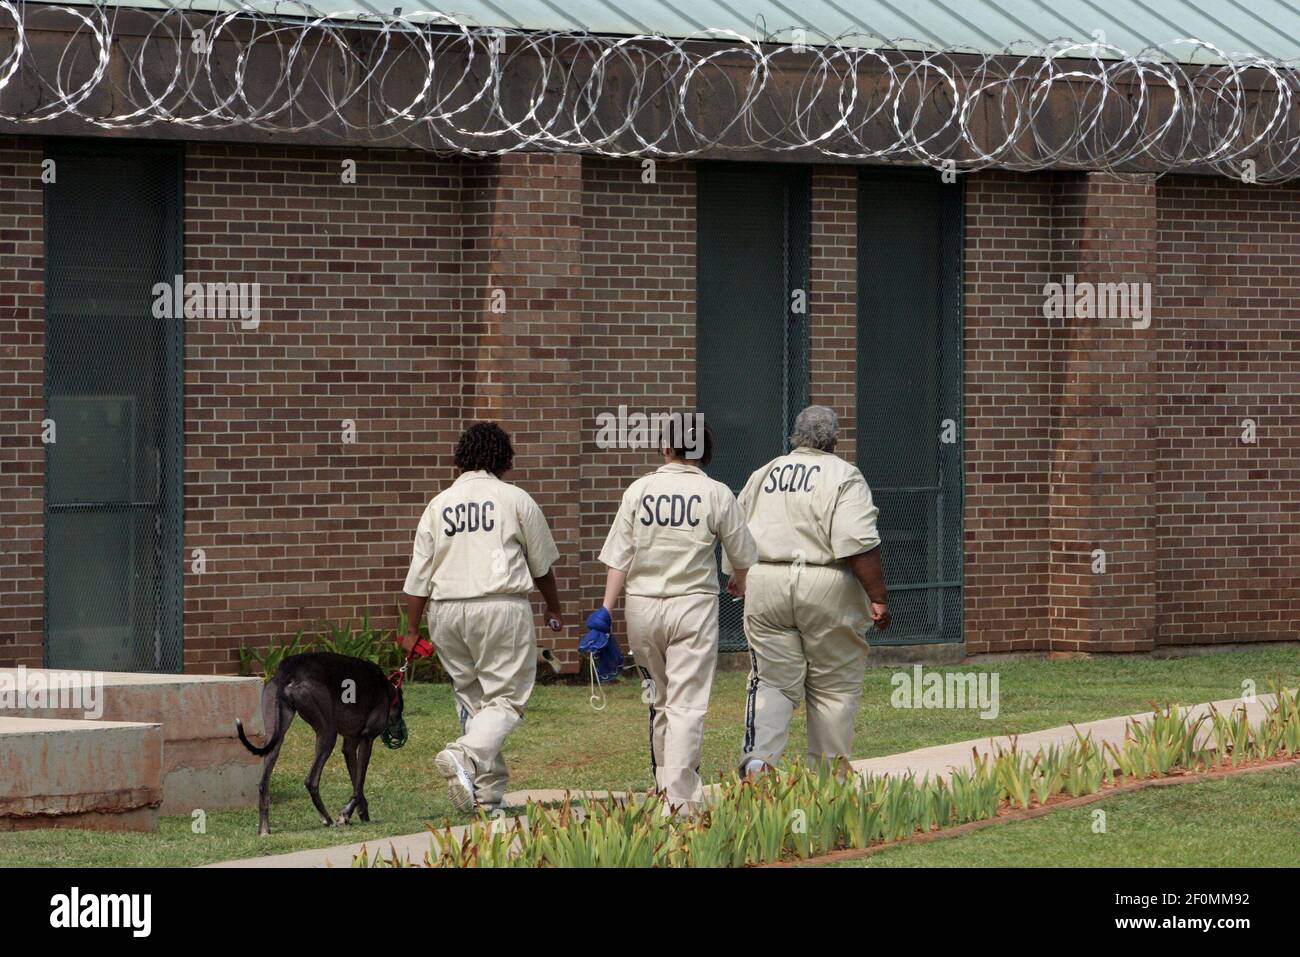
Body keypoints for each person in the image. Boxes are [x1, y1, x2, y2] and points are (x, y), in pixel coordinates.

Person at [592, 416, 757, 812]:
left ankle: (664, 787)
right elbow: (743, 558)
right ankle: (680, 801)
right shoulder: (716, 493)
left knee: (659, 701)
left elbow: (620, 558)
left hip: (642, 608)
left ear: (666, 448)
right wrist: (740, 583)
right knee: (686, 704)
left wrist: (603, 611)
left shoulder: (639, 490)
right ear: (705, 453)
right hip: (693, 606)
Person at [399, 422, 564, 812]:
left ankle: (486, 794)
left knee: (475, 701)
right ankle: (465, 754)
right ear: (503, 459)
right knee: (506, 699)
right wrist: (553, 607)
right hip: (500, 605)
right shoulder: (515, 498)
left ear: (462, 458)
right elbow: (541, 566)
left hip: (446, 611)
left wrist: (409, 630)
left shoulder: (438, 505)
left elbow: (417, 580)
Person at [725, 405, 890, 775]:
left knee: (771, 681)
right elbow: (858, 542)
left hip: (765, 578)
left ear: (794, 436)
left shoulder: (766, 471)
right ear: (833, 439)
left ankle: (759, 761)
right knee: (834, 688)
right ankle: (829, 782)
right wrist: (878, 597)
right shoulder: (844, 474)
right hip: (826, 580)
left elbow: (736, 527)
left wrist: (737, 575)